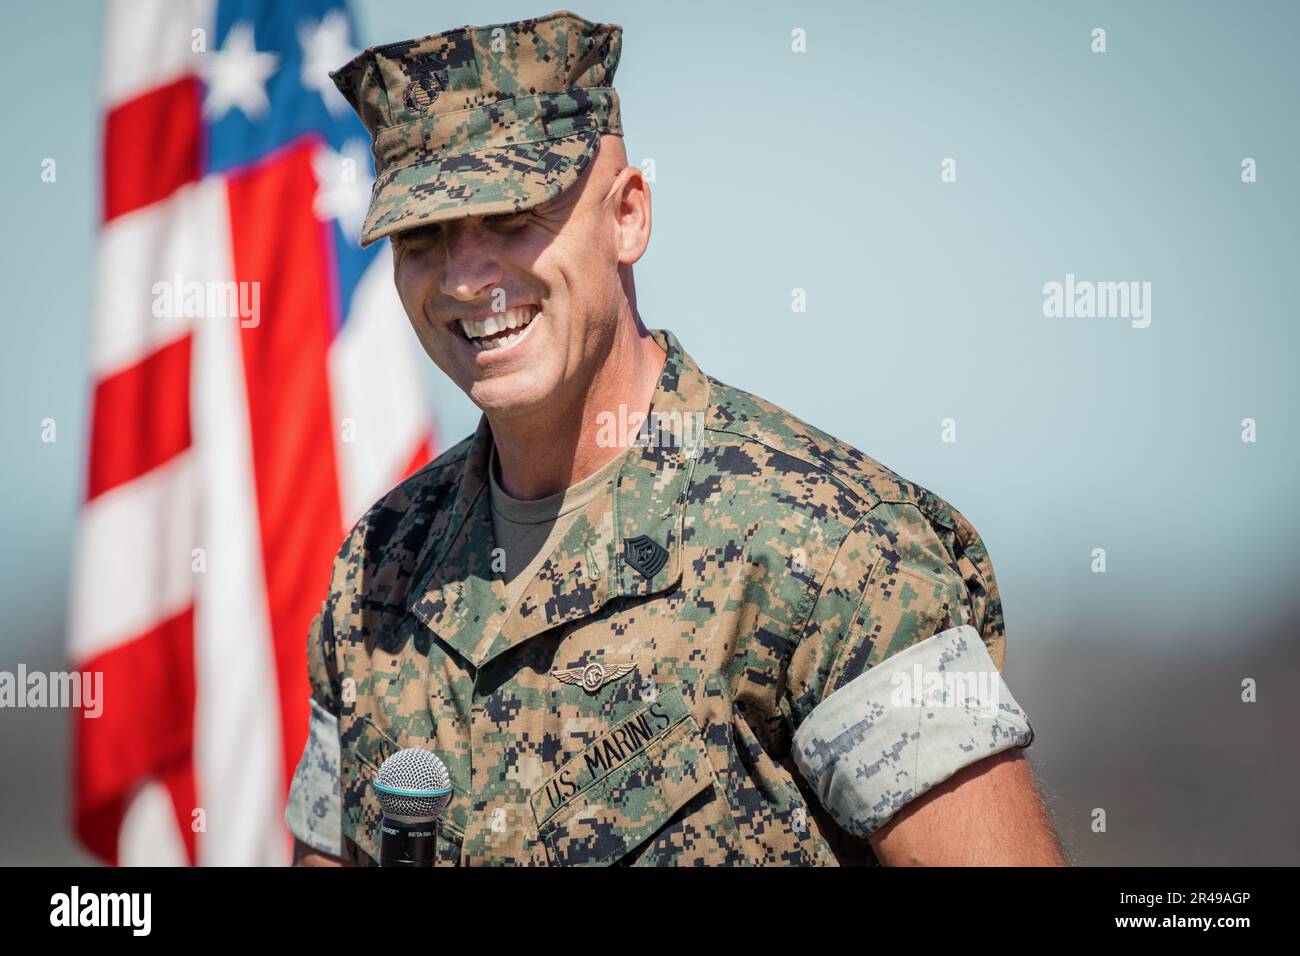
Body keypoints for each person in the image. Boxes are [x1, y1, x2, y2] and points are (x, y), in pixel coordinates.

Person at [286, 9, 1063, 866]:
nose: (468, 278)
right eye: (422, 236)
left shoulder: (826, 547)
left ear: (628, 217)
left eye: (512, 217)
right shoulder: (380, 576)